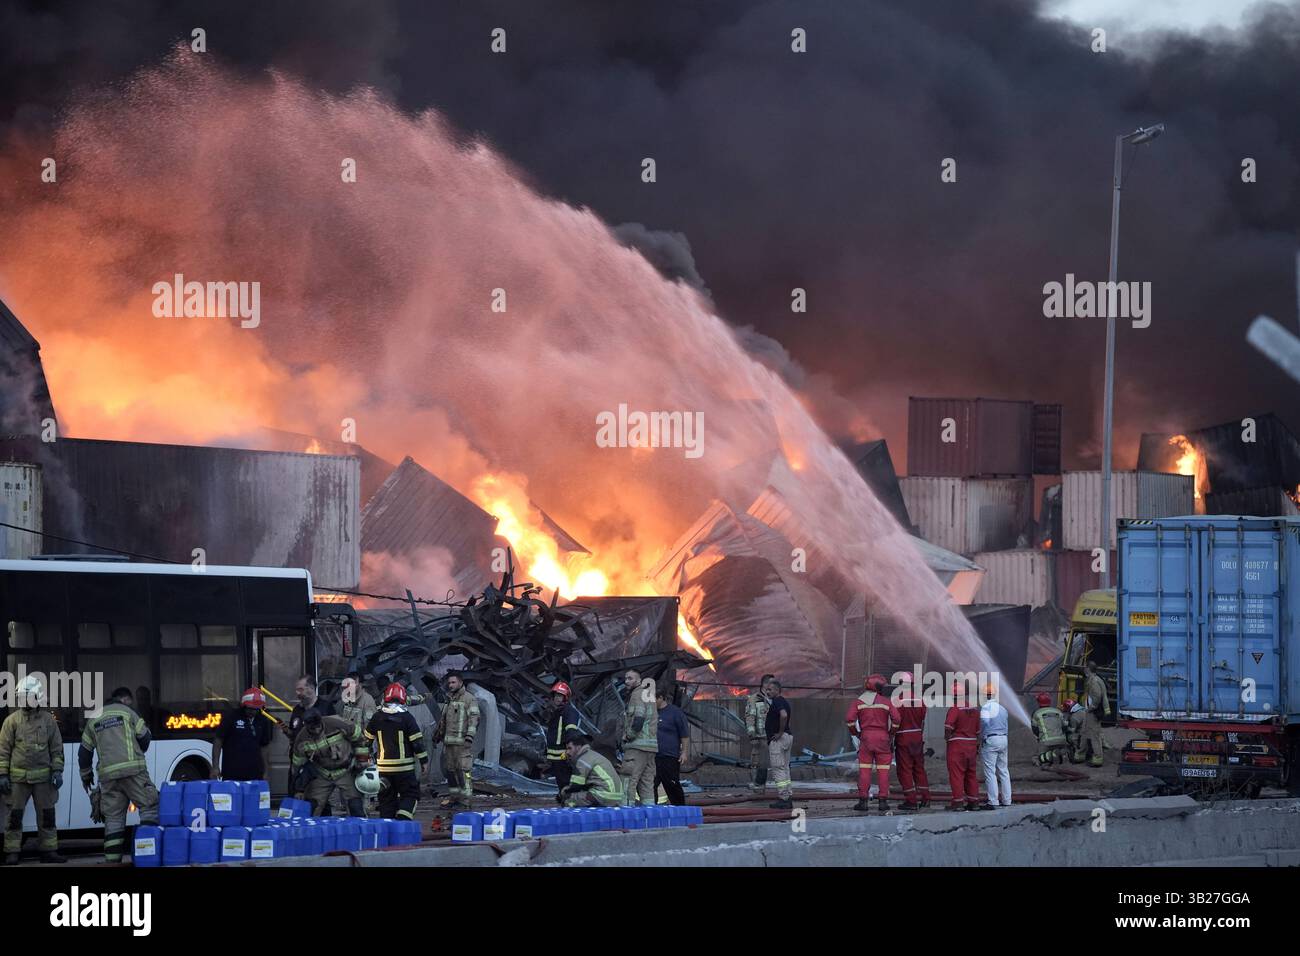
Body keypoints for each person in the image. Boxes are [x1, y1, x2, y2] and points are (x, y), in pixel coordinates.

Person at [79, 686, 160, 863]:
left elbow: (84, 752)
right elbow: (145, 738)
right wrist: (139, 750)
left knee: (113, 819)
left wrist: (86, 775)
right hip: (134, 773)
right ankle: (147, 857)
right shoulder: (128, 712)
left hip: (108, 777)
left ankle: (112, 861)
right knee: (149, 807)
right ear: (123, 700)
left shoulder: (94, 718)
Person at [0, 676, 64, 864]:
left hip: (44, 779)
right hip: (18, 780)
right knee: (14, 817)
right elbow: (3, 750)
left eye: (27, 697)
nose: (24, 701)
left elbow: (56, 749)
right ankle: (12, 852)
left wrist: (57, 771)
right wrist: (3, 775)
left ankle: (49, 851)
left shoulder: (48, 721)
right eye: (21, 697)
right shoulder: (11, 721)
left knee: (47, 816)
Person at [365, 683, 428, 821]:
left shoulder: (377, 717)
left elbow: (366, 740)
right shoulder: (407, 718)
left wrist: (366, 758)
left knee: (386, 800)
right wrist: (424, 761)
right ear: (403, 698)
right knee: (410, 795)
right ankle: (402, 821)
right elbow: (417, 742)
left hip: (383, 769)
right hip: (404, 769)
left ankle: (387, 830)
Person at [290, 708, 369, 816]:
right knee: (311, 807)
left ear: (321, 721)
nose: (317, 730)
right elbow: (297, 766)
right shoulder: (301, 739)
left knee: (355, 806)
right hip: (321, 773)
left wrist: (362, 760)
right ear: (306, 726)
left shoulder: (337, 724)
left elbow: (359, 738)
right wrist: (298, 789)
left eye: (318, 726)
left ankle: (360, 830)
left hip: (346, 771)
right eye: (313, 729)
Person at [845, 674, 900, 813]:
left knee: (865, 770)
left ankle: (863, 802)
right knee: (883, 771)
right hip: (883, 738)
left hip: (866, 739)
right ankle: (883, 802)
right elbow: (897, 719)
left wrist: (855, 733)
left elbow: (849, 719)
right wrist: (891, 734)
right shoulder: (886, 702)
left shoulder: (859, 702)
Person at [433, 671, 479, 809]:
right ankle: (454, 798)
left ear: (460, 682)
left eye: (453, 682)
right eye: (449, 683)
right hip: (449, 744)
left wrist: (469, 737)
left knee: (464, 772)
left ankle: (466, 801)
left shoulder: (469, 699)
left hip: (462, 744)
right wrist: (438, 735)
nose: (451, 685)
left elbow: (474, 719)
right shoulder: (450, 699)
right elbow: (444, 721)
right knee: (451, 772)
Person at [211, 687, 273, 781]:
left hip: (255, 773)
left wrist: (266, 771)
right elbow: (218, 740)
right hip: (232, 773)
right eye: (250, 709)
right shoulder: (231, 717)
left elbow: (264, 746)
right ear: (243, 705)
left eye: (256, 709)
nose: (253, 712)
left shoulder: (263, 720)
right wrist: (215, 767)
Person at [619, 668, 658, 806]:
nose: (626, 681)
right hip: (650, 748)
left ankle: (626, 813)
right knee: (646, 783)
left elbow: (638, 719)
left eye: (630, 678)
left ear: (639, 680)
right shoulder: (648, 695)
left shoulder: (637, 695)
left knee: (627, 780)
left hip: (637, 746)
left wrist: (628, 736)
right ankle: (650, 814)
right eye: (626, 678)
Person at [894, 671, 930, 810]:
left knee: (905, 770)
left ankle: (911, 801)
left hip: (903, 739)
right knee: (919, 769)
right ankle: (926, 798)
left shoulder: (898, 701)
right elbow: (922, 722)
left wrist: (891, 739)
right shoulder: (920, 701)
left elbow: (895, 722)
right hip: (917, 739)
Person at [560, 730, 624, 807]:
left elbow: (576, 786)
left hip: (604, 796)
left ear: (578, 747)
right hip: (616, 796)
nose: (567, 752)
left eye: (570, 748)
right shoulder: (592, 755)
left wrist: (563, 792)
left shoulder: (582, 760)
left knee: (568, 798)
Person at [944, 682, 982, 811]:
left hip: (957, 746)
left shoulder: (955, 709)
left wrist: (947, 738)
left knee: (957, 775)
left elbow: (948, 726)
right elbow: (978, 731)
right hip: (971, 745)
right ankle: (974, 802)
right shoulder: (974, 710)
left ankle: (958, 803)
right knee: (971, 774)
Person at [653, 685, 690, 806]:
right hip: (652, 756)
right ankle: (653, 809)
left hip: (669, 756)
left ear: (661, 698)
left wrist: (684, 752)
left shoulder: (675, 713)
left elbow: (684, 734)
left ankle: (680, 808)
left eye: (654, 699)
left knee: (671, 784)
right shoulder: (651, 713)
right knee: (651, 784)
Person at [544, 681, 582, 794]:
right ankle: (567, 804)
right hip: (555, 756)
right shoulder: (556, 712)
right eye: (556, 695)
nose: (557, 698)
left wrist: (569, 751)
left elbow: (571, 732)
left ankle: (571, 806)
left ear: (566, 698)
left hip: (563, 756)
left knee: (566, 783)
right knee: (561, 783)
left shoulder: (569, 712)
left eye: (560, 696)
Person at [978, 684, 1011, 808]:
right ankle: (1007, 800)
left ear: (985, 695)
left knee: (990, 772)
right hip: (1004, 738)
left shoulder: (985, 708)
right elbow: (1006, 726)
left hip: (991, 739)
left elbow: (985, 722)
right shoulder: (1002, 709)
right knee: (1004, 770)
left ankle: (993, 801)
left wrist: (983, 736)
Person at [765, 678, 794, 810]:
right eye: (767, 689)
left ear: (777, 690)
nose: (767, 691)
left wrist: (779, 732)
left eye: (770, 689)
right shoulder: (783, 701)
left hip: (779, 740)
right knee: (785, 768)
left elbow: (783, 715)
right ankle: (788, 796)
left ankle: (783, 798)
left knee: (778, 768)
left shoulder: (777, 701)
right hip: (787, 738)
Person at [743, 675, 774, 794]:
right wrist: (752, 735)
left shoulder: (774, 699)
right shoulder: (754, 699)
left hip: (772, 737)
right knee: (759, 761)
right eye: (772, 684)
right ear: (765, 684)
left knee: (772, 762)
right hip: (760, 736)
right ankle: (758, 785)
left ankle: (764, 786)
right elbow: (750, 717)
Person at [1082, 661, 1110, 768]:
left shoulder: (1093, 681)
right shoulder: (1097, 679)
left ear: (1089, 669)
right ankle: (1091, 755)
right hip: (1095, 712)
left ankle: (1097, 758)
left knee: (1094, 735)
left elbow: (1097, 696)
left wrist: (1091, 707)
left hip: (1094, 712)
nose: (1084, 669)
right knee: (1093, 733)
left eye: (1085, 668)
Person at [1031, 692, 1069, 766]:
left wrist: (1040, 738)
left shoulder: (1036, 713)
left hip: (1046, 742)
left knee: (1036, 758)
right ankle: (1060, 754)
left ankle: (1049, 756)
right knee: (1061, 751)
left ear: (1038, 702)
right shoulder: (1058, 711)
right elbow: (1065, 726)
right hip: (1061, 740)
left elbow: (1035, 729)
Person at [1062, 698, 1088, 763]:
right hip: (1090, 733)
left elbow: (1072, 730)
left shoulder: (1074, 717)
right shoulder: (1083, 710)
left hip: (1082, 736)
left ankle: (1076, 753)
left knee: (1069, 737)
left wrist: (1066, 728)